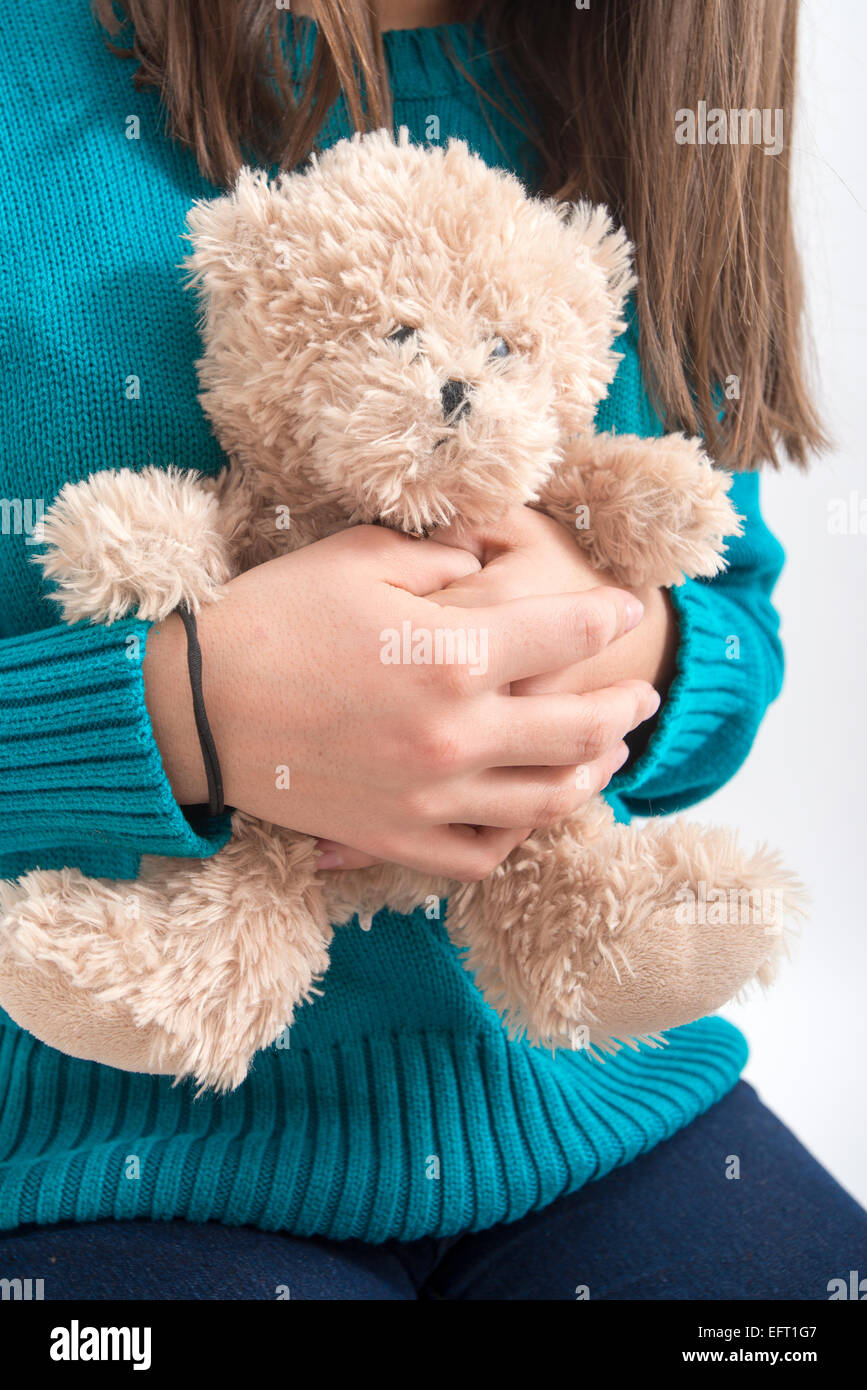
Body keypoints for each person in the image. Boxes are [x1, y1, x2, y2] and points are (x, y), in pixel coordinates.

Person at [0, 0, 863, 1300]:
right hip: (105, 1144)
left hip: (588, 1104)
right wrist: (180, 716)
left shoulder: (637, 77)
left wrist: (619, 642)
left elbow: (735, 605)